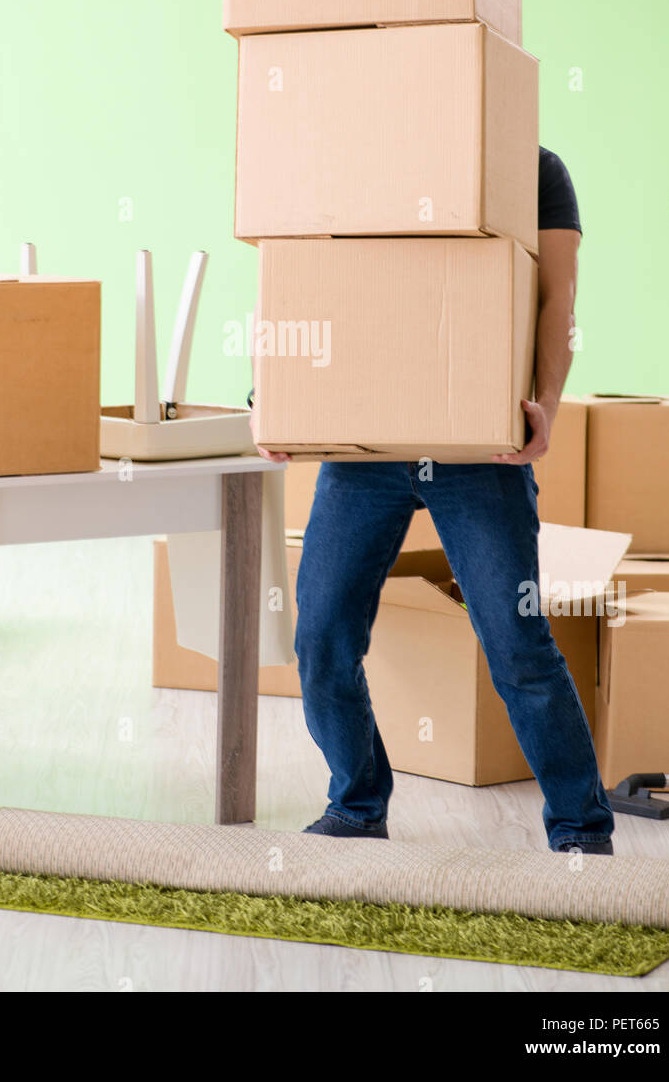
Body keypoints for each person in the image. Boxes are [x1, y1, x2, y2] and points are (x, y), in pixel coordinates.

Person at [254, 146, 615, 854]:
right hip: (366, 451)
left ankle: (580, 830)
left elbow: (555, 297)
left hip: (478, 451)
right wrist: (280, 402)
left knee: (516, 644)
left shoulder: (531, 169)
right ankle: (356, 806)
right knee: (321, 636)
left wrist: (543, 403)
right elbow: (308, 286)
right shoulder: (357, 163)